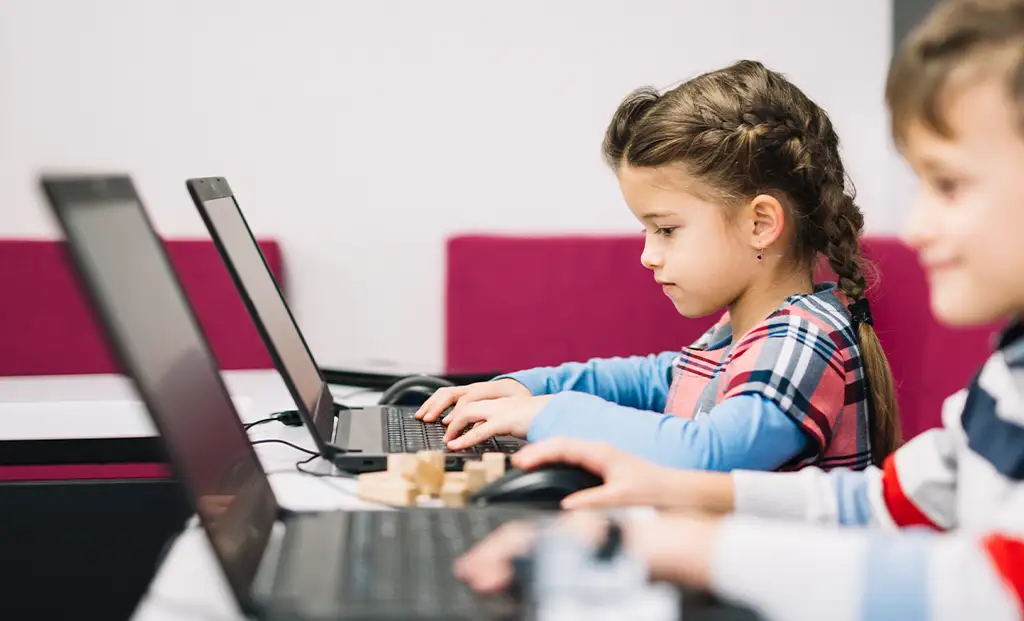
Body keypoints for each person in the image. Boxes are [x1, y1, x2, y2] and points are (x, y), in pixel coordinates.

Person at [455, 1, 1024, 619]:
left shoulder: (806, 335)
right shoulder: (1004, 382)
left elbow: (991, 588)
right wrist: (537, 396)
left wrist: (676, 538)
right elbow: (879, 504)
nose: (913, 229)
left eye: (949, 185)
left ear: (761, 223)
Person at [417, 60, 902, 472]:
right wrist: (521, 387)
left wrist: (550, 413)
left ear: (760, 223)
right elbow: (654, 379)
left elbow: (710, 453)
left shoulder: (803, 341)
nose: (648, 255)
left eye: (666, 229)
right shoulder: (744, 334)